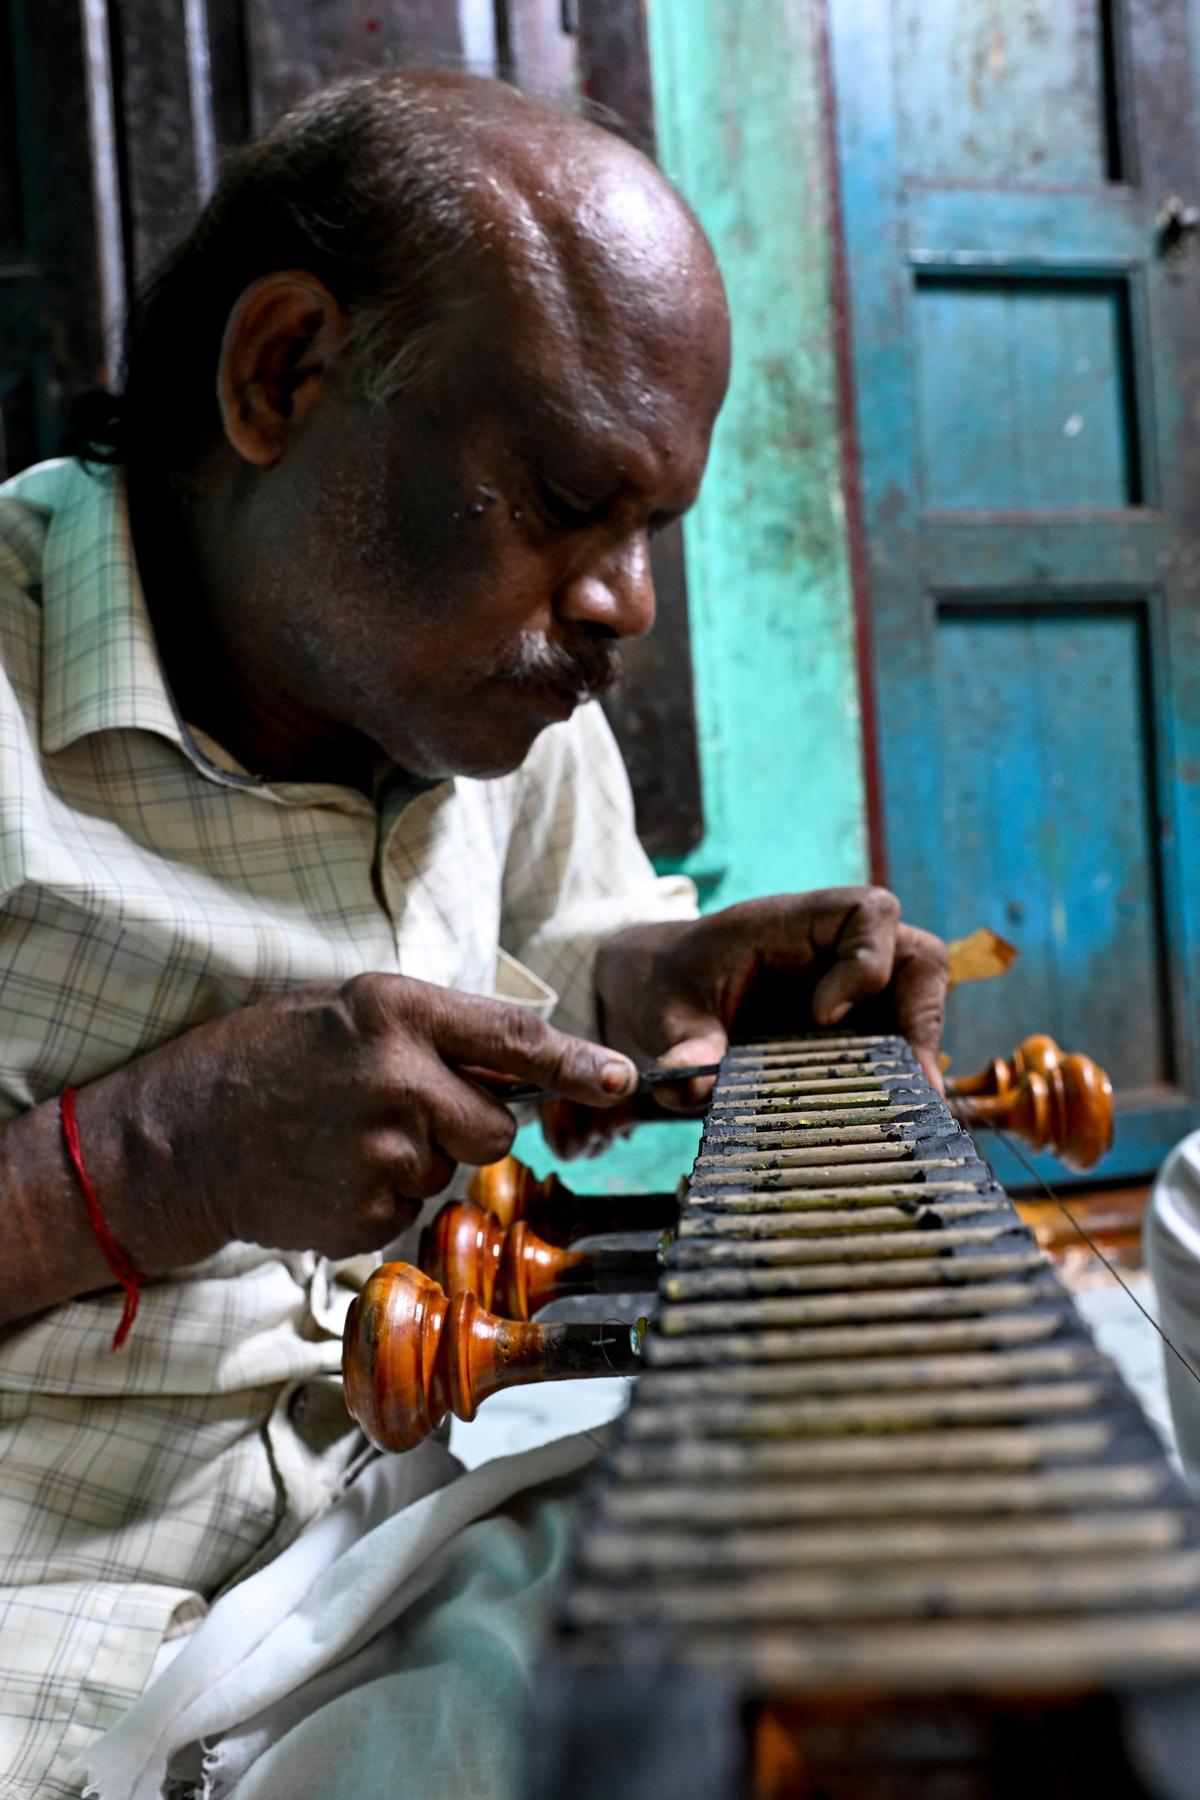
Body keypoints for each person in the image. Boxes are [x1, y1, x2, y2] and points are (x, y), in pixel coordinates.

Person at [0, 68, 948, 1797]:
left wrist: (673, 984)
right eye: (568, 496)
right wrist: (139, 1161)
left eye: (652, 530)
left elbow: (573, 942)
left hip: (386, 1527)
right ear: (283, 374)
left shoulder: (499, 716)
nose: (625, 607)